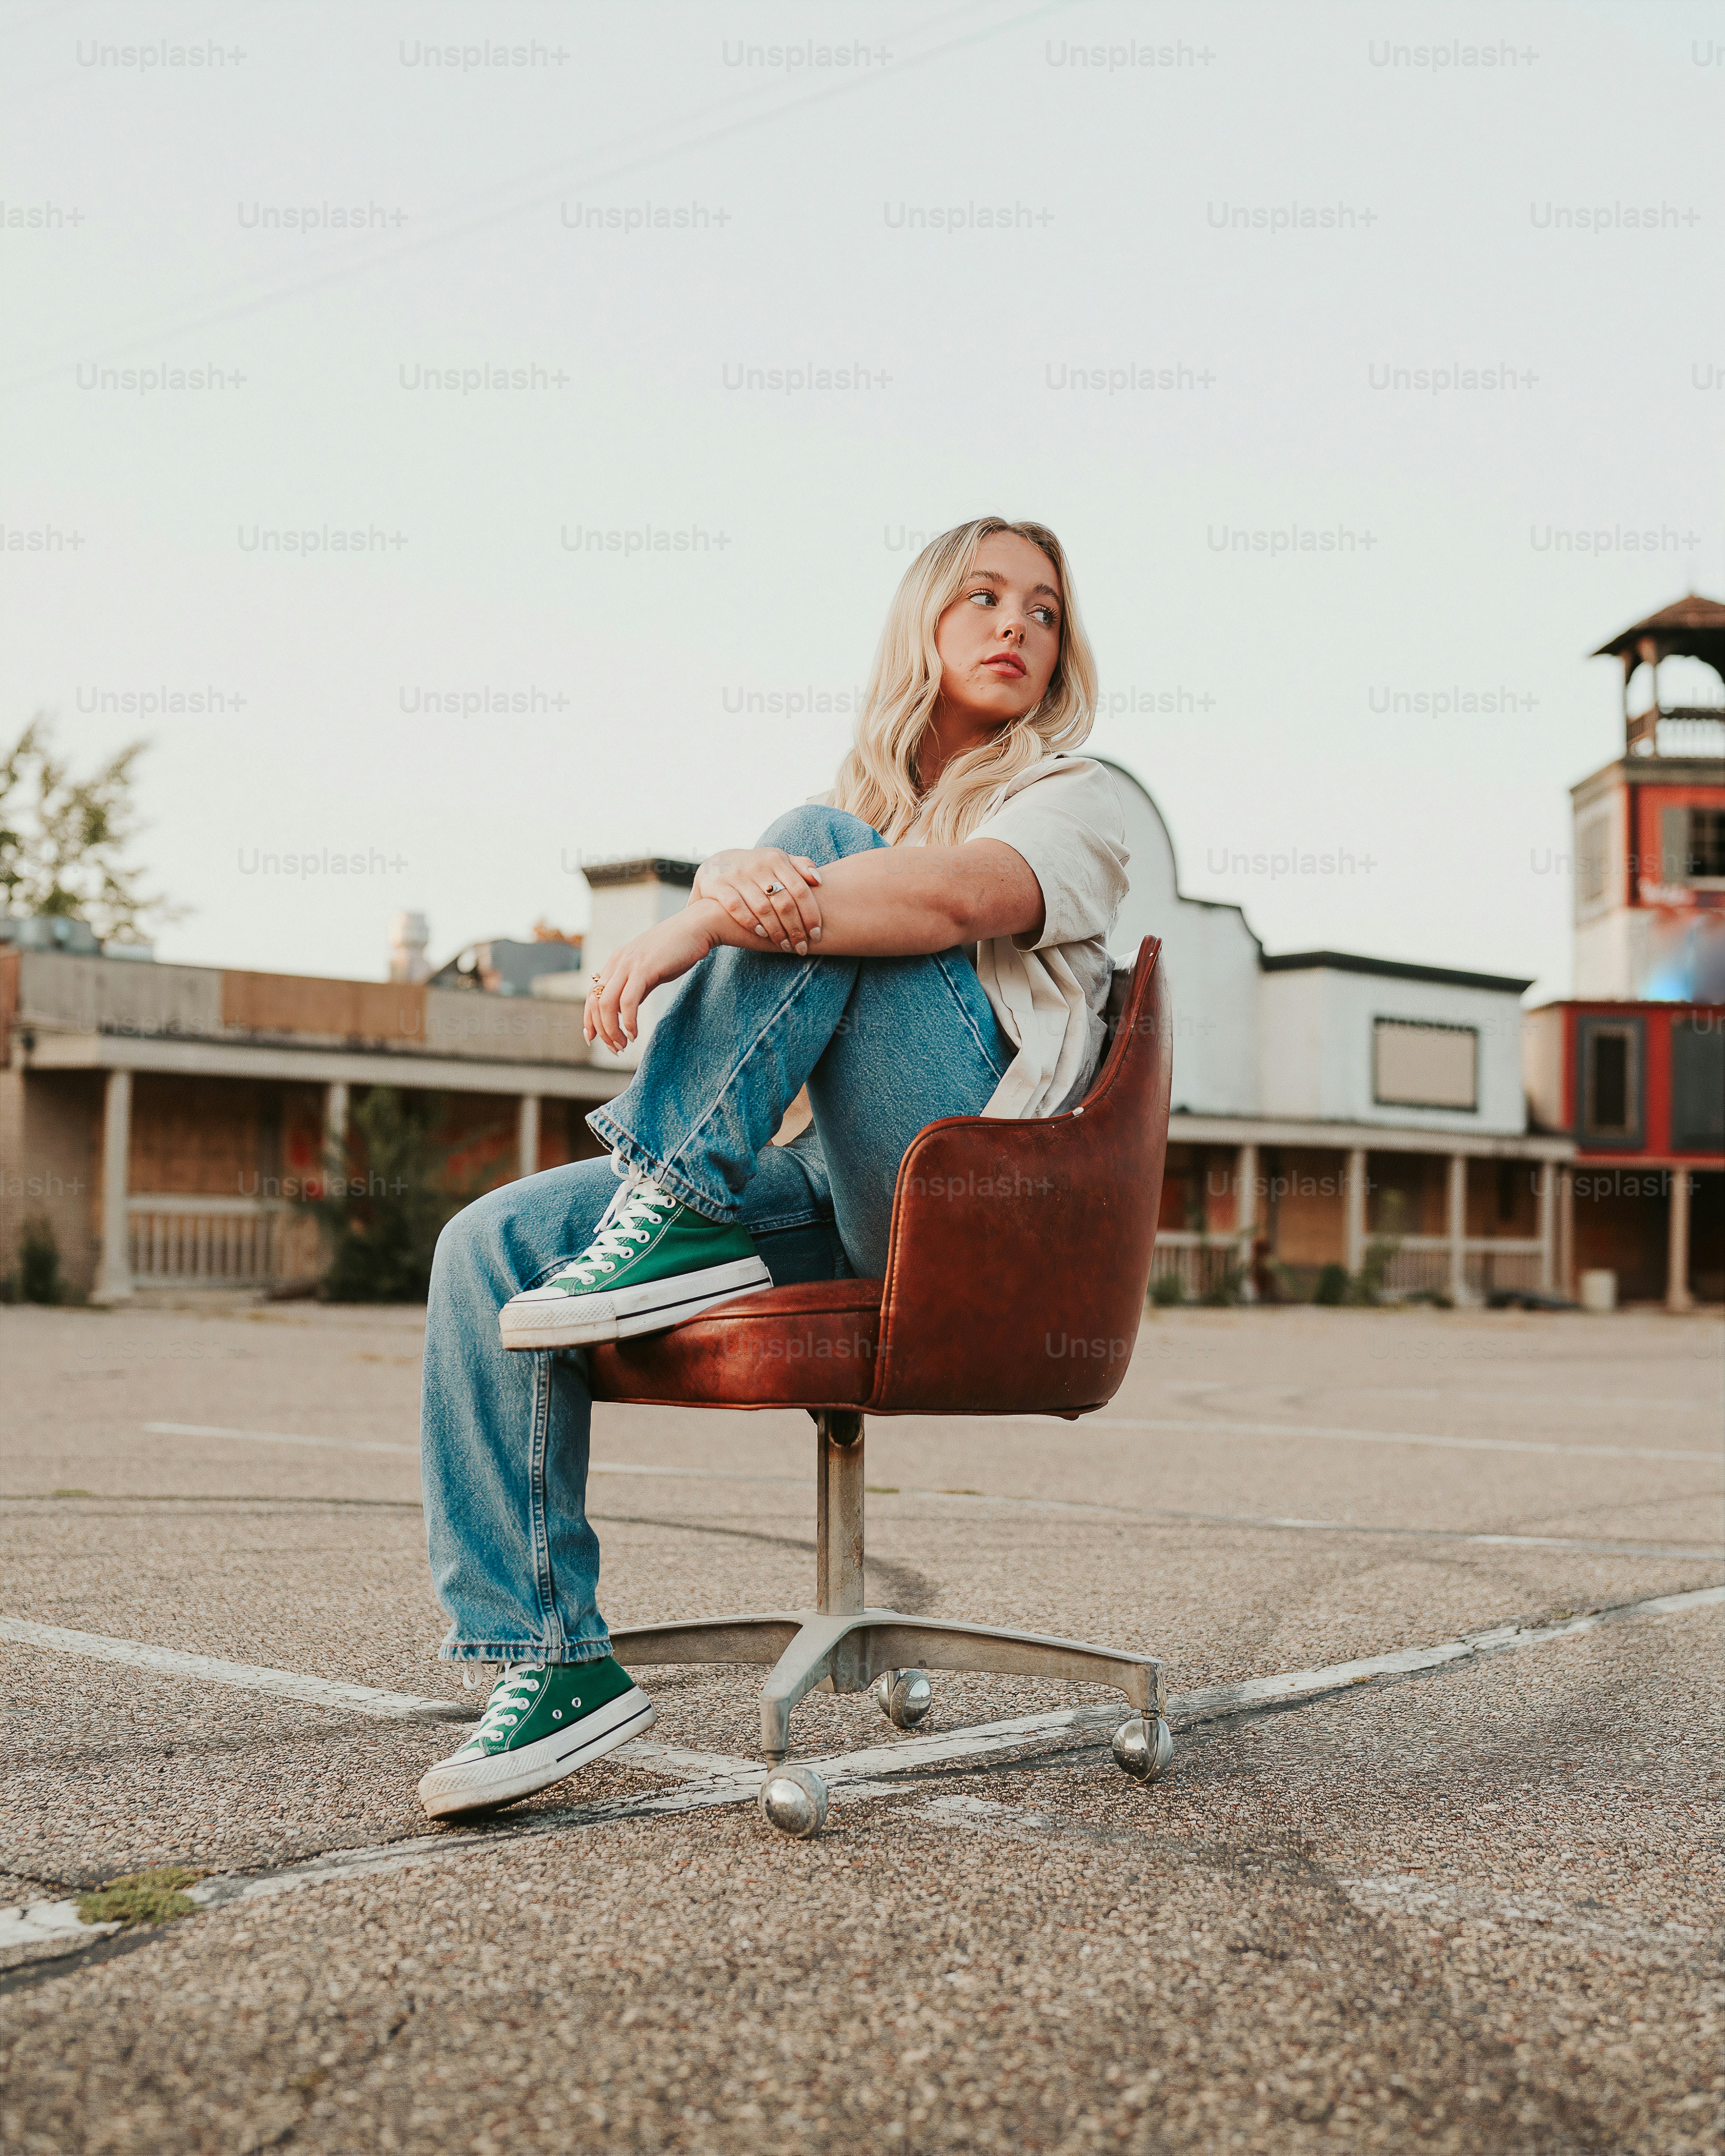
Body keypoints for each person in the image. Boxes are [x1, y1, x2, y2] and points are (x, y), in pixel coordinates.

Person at [416, 516, 1130, 1819]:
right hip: (837, 1180)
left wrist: (701, 912)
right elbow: (819, 901)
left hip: (980, 1193)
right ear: (921, 623)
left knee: (819, 840)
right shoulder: (859, 814)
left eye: (1041, 607)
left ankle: (672, 1200)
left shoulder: (1080, 795)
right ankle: (552, 1656)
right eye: (979, 597)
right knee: (487, 1251)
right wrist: (746, 878)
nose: (1015, 623)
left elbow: (957, 899)